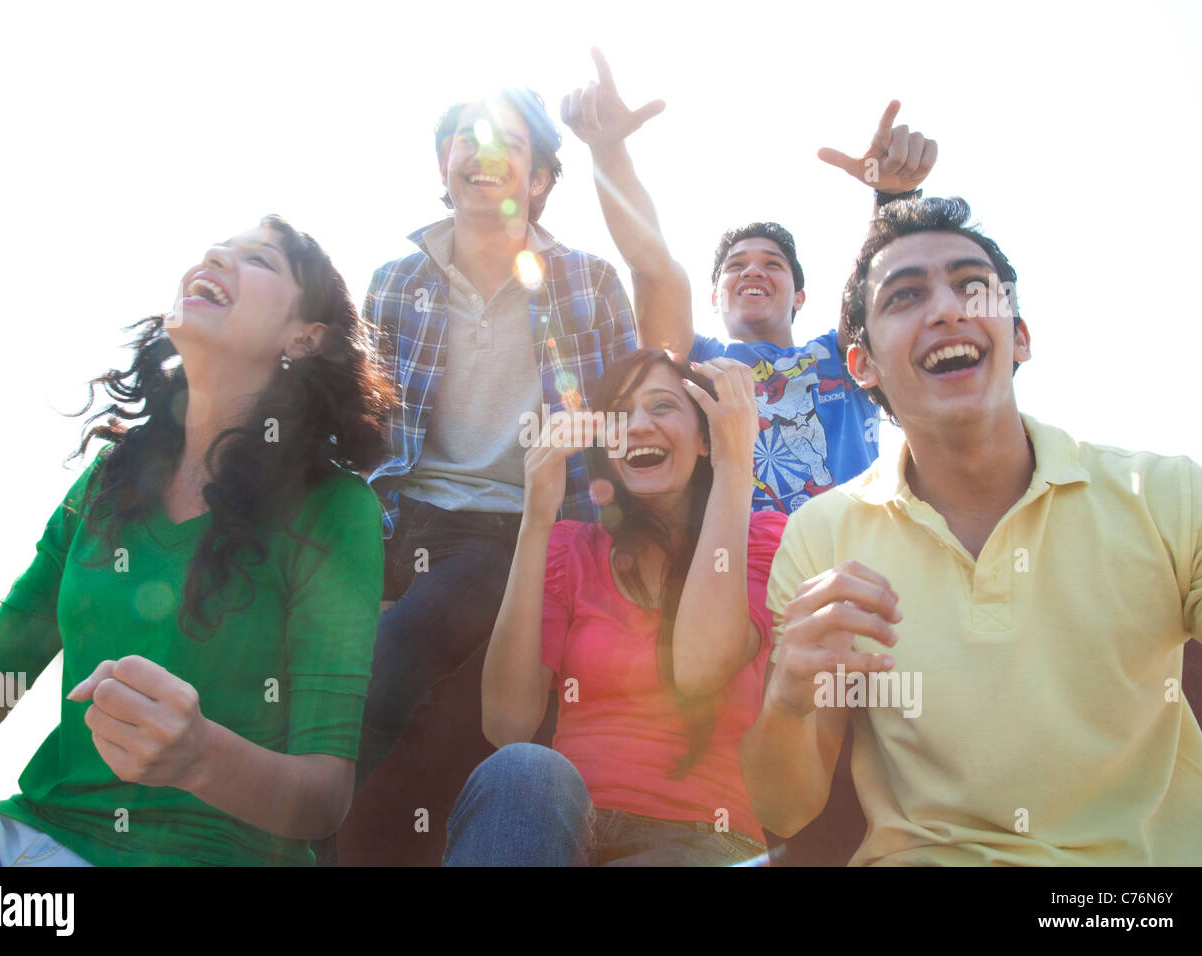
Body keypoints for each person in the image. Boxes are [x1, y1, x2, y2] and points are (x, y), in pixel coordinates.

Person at [741, 196, 1202, 865]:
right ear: (863, 366)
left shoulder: (1172, 495)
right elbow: (785, 811)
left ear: (1020, 334)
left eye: (973, 286)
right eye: (905, 295)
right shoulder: (820, 536)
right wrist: (790, 700)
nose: (948, 309)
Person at [0, 216, 388, 866]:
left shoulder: (337, 510)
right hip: (32, 830)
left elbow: (322, 798)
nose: (218, 256)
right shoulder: (107, 482)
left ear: (305, 336)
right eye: (217, 247)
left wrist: (200, 756)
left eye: (259, 259)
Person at [356, 88, 637, 799]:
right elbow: (360, 426)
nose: (485, 155)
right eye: (468, 138)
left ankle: (291, 831)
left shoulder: (589, 282)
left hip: (507, 527)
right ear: (444, 160)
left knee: (394, 655)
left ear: (538, 180)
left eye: (510, 144)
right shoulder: (393, 284)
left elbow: (630, 418)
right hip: (392, 515)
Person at [443, 350, 787, 865]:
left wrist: (737, 462)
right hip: (566, 835)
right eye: (620, 413)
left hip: (706, 843)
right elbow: (507, 724)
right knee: (522, 768)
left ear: (704, 439)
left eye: (663, 406)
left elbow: (698, 667)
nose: (638, 425)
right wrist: (536, 518)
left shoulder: (763, 540)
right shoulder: (568, 546)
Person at [561, 49, 937, 512]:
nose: (753, 270)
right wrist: (608, 149)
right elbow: (652, 266)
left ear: (799, 296)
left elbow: (877, 288)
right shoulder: (692, 366)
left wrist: (894, 197)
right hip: (730, 571)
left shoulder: (842, 358)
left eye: (772, 264)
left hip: (849, 566)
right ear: (715, 298)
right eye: (735, 266)